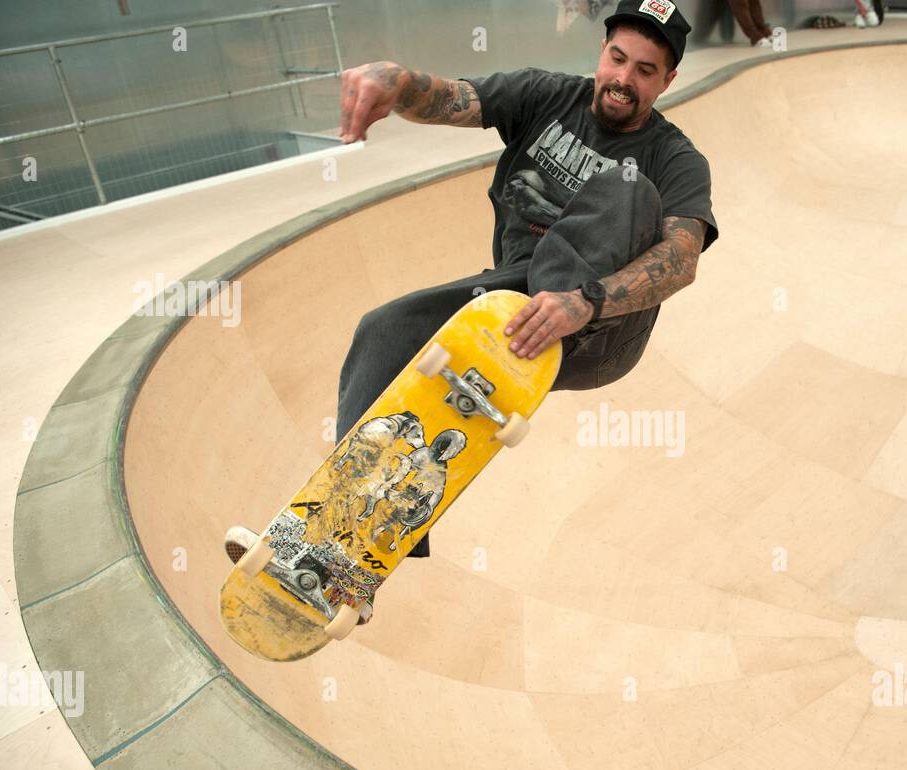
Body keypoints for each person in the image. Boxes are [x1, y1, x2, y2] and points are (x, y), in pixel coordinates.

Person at [225, 0, 720, 621]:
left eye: (646, 71)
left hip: (600, 328)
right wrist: (396, 81)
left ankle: (546, 321)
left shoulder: (674, 158)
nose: (625, 79)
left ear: (667, 80)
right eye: (618, 59)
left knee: (624, 184)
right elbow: (453, 97)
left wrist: (582, 302)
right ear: (602, 53)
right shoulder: (546, 96)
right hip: (511, 298)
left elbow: (681, 258)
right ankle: (342, 550)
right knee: (384, 330)